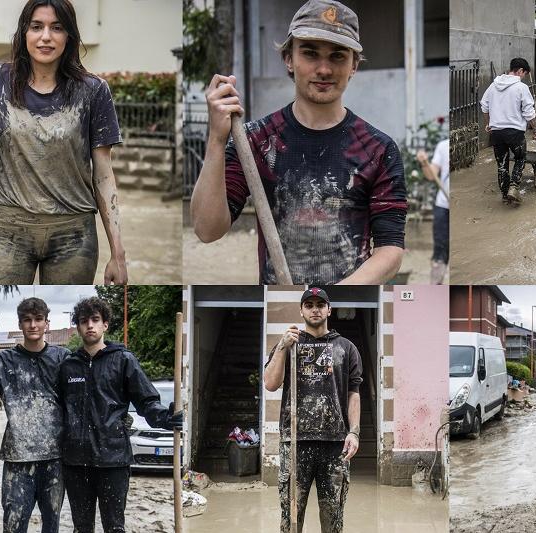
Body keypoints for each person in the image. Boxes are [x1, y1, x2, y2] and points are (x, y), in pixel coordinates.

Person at [191, 0, 407, 285]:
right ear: (289, 59)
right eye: (310, 53)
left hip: (345, 302)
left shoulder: (378, 150)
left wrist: (329, 298)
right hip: (279, 301)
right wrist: (217, 140)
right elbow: (207, 230)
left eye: (338, 56)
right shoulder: (257, 141)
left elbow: (390, 250)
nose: (324, 69)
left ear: (354, 64)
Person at [0, 0, 126, 284]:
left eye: (57, 28)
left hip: (74, 236)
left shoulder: (92, 91)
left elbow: (104, 175)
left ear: (69, 36)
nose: (46, 36)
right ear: (24, 33)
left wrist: (118, 254)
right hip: (7, 233)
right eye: (36, 27)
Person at [58, 296, 183, 533]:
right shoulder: (68, 366)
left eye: (95, 320)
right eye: (84, 321)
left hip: (113, 460)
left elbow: (147, 401)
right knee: (81, 527)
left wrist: (166, 419)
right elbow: (57, 409)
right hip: (75, 462)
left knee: (114, 527)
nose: (90, 326)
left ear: (106, 324)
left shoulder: (124, 360)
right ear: (78, 326)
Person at [0, 297, 69, 533]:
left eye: (38, 319)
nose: (33, 325)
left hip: (55, 457)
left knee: (51, 525)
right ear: (20, 324)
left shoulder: (63, 358)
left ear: (47, 324)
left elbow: (80, 399)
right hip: (17, 459)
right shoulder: (4, 360)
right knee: (13, 526)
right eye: (27, 320)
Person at [263, 287, 363, 533]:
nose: (315, 309)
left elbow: (353, 393)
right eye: (309, 305)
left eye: (320, 304)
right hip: (295, 442)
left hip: (335, 444)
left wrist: (354, 432)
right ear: (302, 310)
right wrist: (282, 347)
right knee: (291, 518)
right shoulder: (289, 344)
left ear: (329, 309)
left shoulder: (346, 348)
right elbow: (270, 384)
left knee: (333, 519)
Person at [480, 57, 536, 204]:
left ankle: (505, 196)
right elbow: (529, 113)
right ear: (520, 71)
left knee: (502, 164)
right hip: (514, 132)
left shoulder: (493, 86)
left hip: (497, 132)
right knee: (520, 158)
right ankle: (514, 187)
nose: (524, 77)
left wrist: (488, 124)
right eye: (524, 74)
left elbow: (484, 106)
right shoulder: (521, 88)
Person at [416, 139, 449, 284]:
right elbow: (431, 175)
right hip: (443, 205)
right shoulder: (443, 146)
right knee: (440, 251)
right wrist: (424, 162)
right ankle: (435, 287)